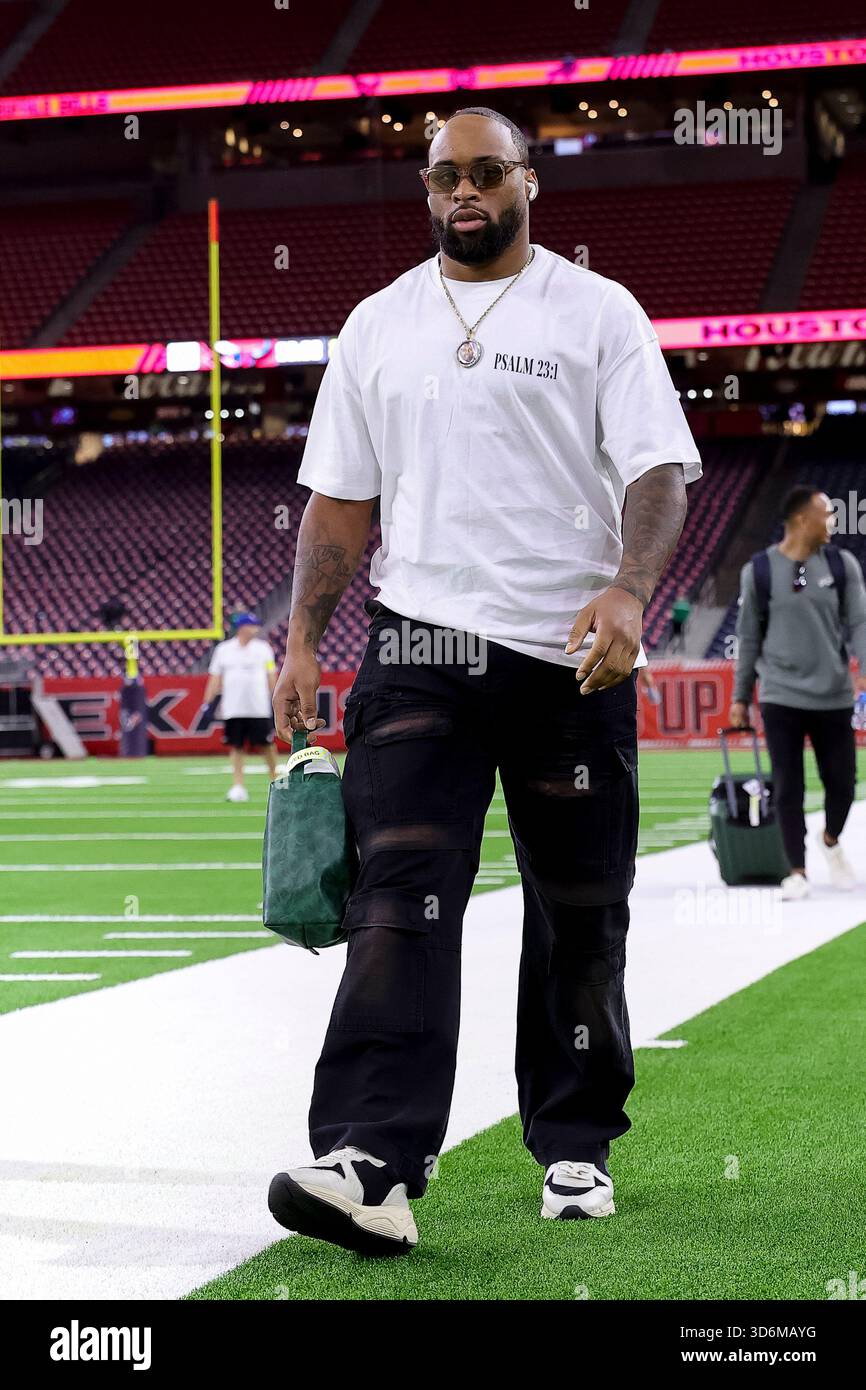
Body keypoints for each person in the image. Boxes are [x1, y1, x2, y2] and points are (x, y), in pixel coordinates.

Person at [268, 106, 702, 1256]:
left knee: (576, 910)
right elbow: (339, 503)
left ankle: (572, 1137)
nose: (462, 191)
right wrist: (303, 636)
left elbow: (657, 468)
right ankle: (369, 1155)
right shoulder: (377, 323)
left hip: (571, 650)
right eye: (442, 176)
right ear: (424, 191)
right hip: (419, 646)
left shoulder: (595, 310)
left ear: (525, 182)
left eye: (484, 171)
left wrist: (626, 587)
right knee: (397, 901)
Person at [729, 485, 866, 900]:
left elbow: (859, 624)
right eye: (827, 513)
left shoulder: (842, 565)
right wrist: (740, 696)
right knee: (788, 784)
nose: (833, 521)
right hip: (780, 695)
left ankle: (830, 839)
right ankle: (796, 870)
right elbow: (748, 636)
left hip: (833, 694)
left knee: (842, 781)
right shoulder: (760, 570)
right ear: (802, 519)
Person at [204, 613, 279, 802]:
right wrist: (207, 702)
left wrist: (277, 699)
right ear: (243, 627)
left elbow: (271, 676)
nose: (256, 629)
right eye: (252, 625)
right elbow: (215, 677)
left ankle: (276, 781)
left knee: (267, 744)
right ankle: (238, 786)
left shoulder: (263, 649)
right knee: (236, 746)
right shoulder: (224, 650)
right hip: (233, 707)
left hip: (258, 707)